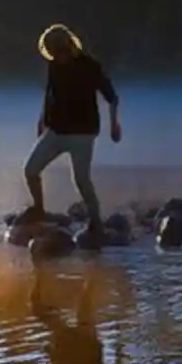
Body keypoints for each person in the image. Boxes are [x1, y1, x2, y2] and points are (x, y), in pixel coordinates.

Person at [23, 23, 121, 240]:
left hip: (82, 132)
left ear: (68, 46)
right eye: (52, 52)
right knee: (30, 170)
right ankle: (38, 208)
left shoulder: (89, 66)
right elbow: (50, 94)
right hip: (56, 130)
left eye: (59, 50)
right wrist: (42, 121)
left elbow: (111, 96)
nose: (57, 56)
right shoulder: (54, 66)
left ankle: (96, 222)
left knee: (81, 179)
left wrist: (114, 124)